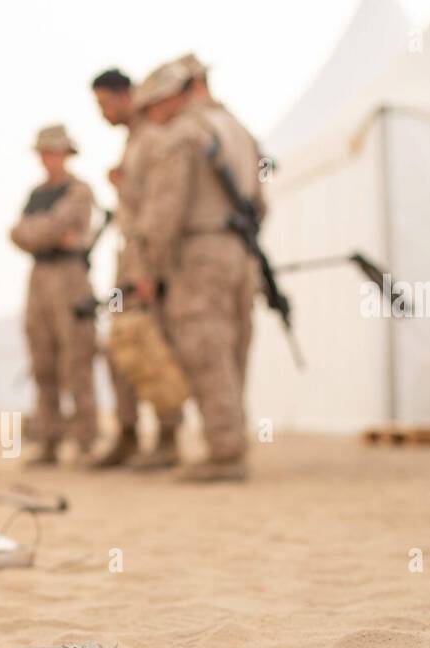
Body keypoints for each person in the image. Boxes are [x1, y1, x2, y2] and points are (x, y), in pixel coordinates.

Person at [130, 55, 262, 482]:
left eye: (153, 106)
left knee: (205, 348)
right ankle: (231, 440)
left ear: (171, 98)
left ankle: (224, 452)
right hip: (240, 251)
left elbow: (164, 209)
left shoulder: (183, 136)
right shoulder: (237, 131)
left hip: (200, 252)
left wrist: (148, 266)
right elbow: (262, 203)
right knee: (231, 347)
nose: (152, 117)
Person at [90, 69, 183, 470]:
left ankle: (167, 437)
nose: (103, 114)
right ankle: (127, 434)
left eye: (105, 104)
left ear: (125, 96)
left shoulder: (155, 137)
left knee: (153, 347)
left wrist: (148, 269)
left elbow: (159, 207)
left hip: (146, 261)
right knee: (122, 348)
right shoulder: (135, 141)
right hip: (127, 259)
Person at [8, 124, 97, 467]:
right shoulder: (37, 194)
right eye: (44, 153)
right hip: (40, 277)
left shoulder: (79, 190)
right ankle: (49, 440)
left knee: (77, 359)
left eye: (54, 152)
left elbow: (50, 228)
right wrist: (42, 234)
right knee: (42, 360)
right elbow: (19, 232)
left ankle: (87, 441)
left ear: (66, 154)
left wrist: (39, 233)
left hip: (71, 275)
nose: (49, 159)